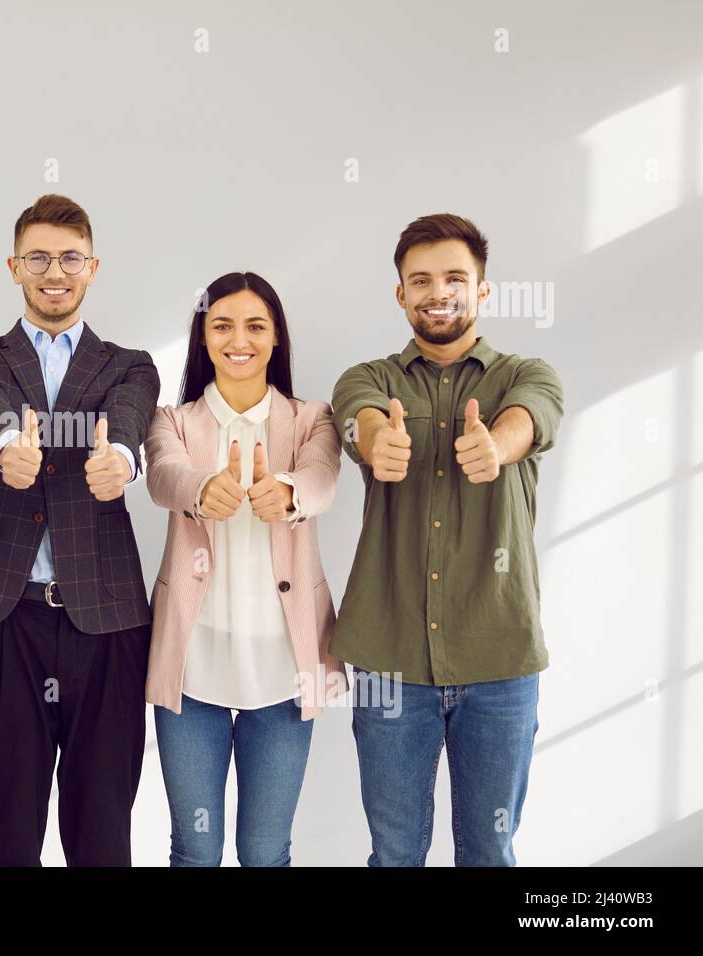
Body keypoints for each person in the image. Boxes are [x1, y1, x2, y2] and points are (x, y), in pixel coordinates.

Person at [0, 194, 161, 866]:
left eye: (68, 258)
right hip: (7, 620)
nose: (53, 271)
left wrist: (118, 460)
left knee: (102, 835)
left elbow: (127, 415)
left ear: (92, 268)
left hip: (107, 623)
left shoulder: (129, 363)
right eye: (38, 257)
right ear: (14, 266)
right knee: (6, 833)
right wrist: (8, 447)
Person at [331, 213, 564, 866]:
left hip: (500, 661)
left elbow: (531, 419)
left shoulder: (528, 374)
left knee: (489, 851)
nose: (440, 292)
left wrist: (499, 443)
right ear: (400, 293)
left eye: (456, 278)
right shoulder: (367, 378)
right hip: (389, 663)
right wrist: (380, 444)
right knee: (396, 852)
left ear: (483, 290)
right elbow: (360, 423)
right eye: (422, 280)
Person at [143, 271, 345, 866]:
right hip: (192, 674)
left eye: (256, 325)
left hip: (284, 674)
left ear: (277, 337)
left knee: (265, 852)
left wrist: (287, 493)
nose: (240, 339)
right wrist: (204, 489)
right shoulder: (172, 421)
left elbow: (322, 477)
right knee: (195, 850)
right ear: (203, 339)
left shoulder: (311, 418)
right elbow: (163, 475)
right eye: (222, 325)